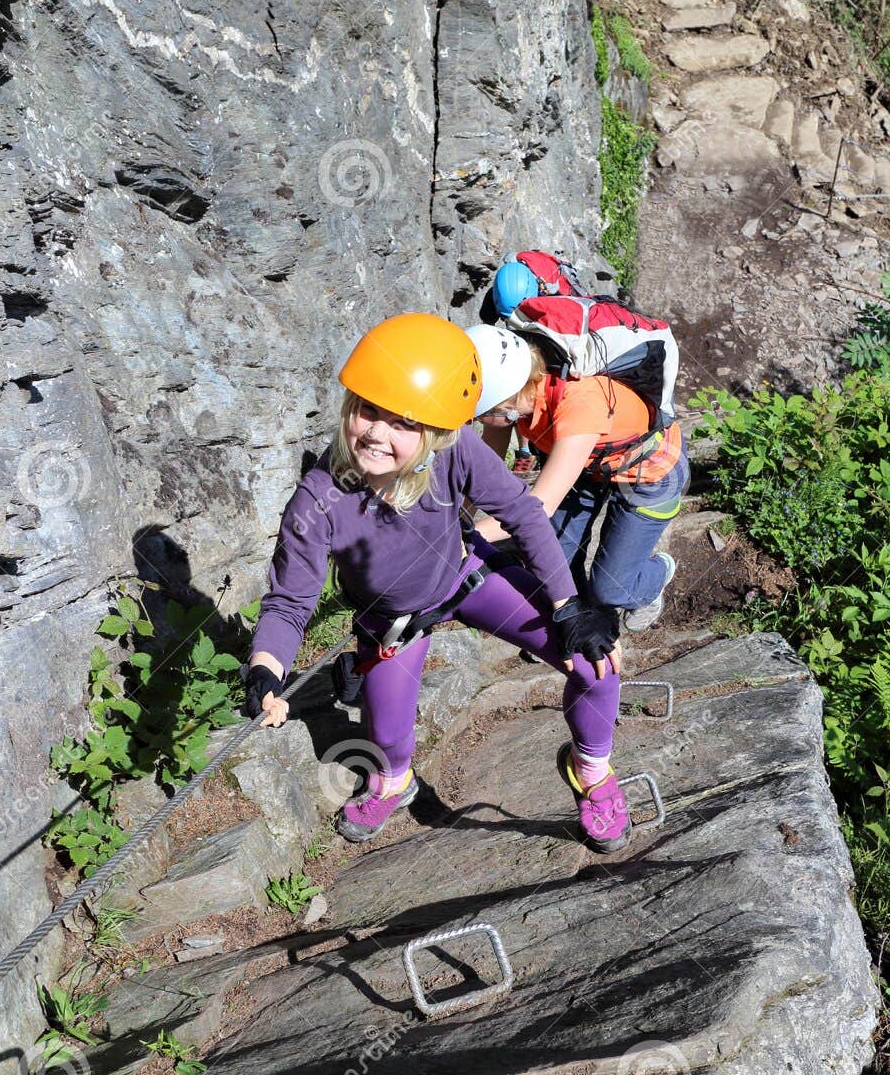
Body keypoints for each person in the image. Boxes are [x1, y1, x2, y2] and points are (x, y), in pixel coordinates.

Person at [243, 313, 632, 851]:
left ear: (434, 431)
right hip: (392, 622)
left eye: (402, 422)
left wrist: (569, 606)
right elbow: (290, 600)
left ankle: (591, 771)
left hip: (467, 579)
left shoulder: (455, 452)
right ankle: (395, 782)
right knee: (386, 742)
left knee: (595, 663)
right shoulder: (319, 500)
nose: (377, 433)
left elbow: (522, 514)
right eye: (368, 411)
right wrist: (266, 668)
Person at [468, 324, 688, 632]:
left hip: (651, 473)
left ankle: (656, 576)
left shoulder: (578, 404)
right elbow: (481, 469)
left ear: (505, 398)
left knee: (611, 589)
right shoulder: (513, 388)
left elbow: (536, 509)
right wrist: (456, 518)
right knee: (550, 563)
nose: (475, 422)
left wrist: (461, 537)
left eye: (478, 415)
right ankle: (579, 613)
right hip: (590, 466)